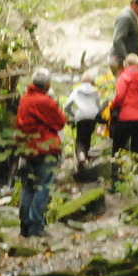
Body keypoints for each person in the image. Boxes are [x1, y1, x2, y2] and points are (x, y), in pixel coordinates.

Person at [12, 69, 65, 239]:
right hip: (45, 149)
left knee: (28, 187)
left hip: (28, 150)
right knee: (43, 187)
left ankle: (24, 226)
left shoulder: (24, 99)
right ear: (47, 85)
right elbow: (60, 122)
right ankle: (36, 226)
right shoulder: (45, 101)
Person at [108, 53, 138, 157]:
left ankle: (118, 167)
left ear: (126, 64)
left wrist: (112, 106)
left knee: (118, 149)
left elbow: (119, 97)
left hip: (126, 118)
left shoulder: (124, 77)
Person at [63, 71, 103, 166]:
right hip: (93, 116)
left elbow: (66, 106)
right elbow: (99, 106)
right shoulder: (96, 91)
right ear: (92, 81)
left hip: (81, 116)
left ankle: (81, 157)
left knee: (80, 139)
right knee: (88, 137)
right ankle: (86, 160)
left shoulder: (76, 90)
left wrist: (73, 113)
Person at [109, 0, 138, 66]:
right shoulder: (126, 17)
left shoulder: (131, 17)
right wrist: (127, 57)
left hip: (125, 61)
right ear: (134, 4)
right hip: (121, 61)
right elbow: (118, 39)